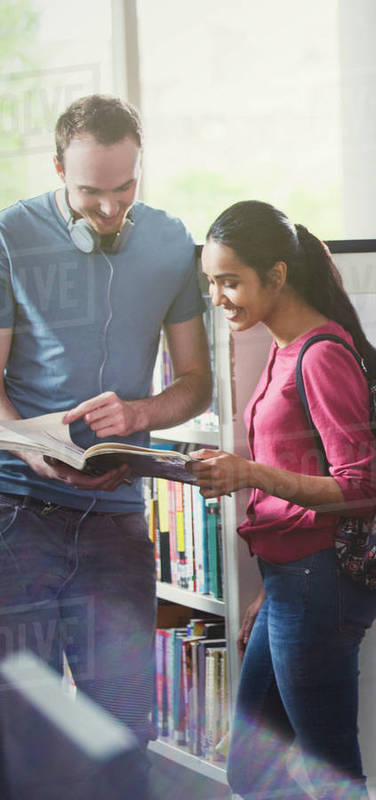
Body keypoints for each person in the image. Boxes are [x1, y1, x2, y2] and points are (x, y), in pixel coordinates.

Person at [0, 95, 212, 775]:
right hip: (16, 517)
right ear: (59, 168)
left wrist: (141, 414)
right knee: (22, 727)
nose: (111, 209)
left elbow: (195, 383)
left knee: (125, 724)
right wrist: (34, 447)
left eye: (125, 189)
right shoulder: (10, 235)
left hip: (117, 519)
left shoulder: (172, 243)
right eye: (92, 191)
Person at [190, 200, 376, 799]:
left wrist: (248, 473)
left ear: (276, 276)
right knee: (252, 771)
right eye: (211, 282)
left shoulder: (321, 354)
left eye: (230, 281)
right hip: (290, 585)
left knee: (332, 776)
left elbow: (361, 488)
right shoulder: (282, 345)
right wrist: (269, 595)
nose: (219, 297)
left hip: (317, 582)